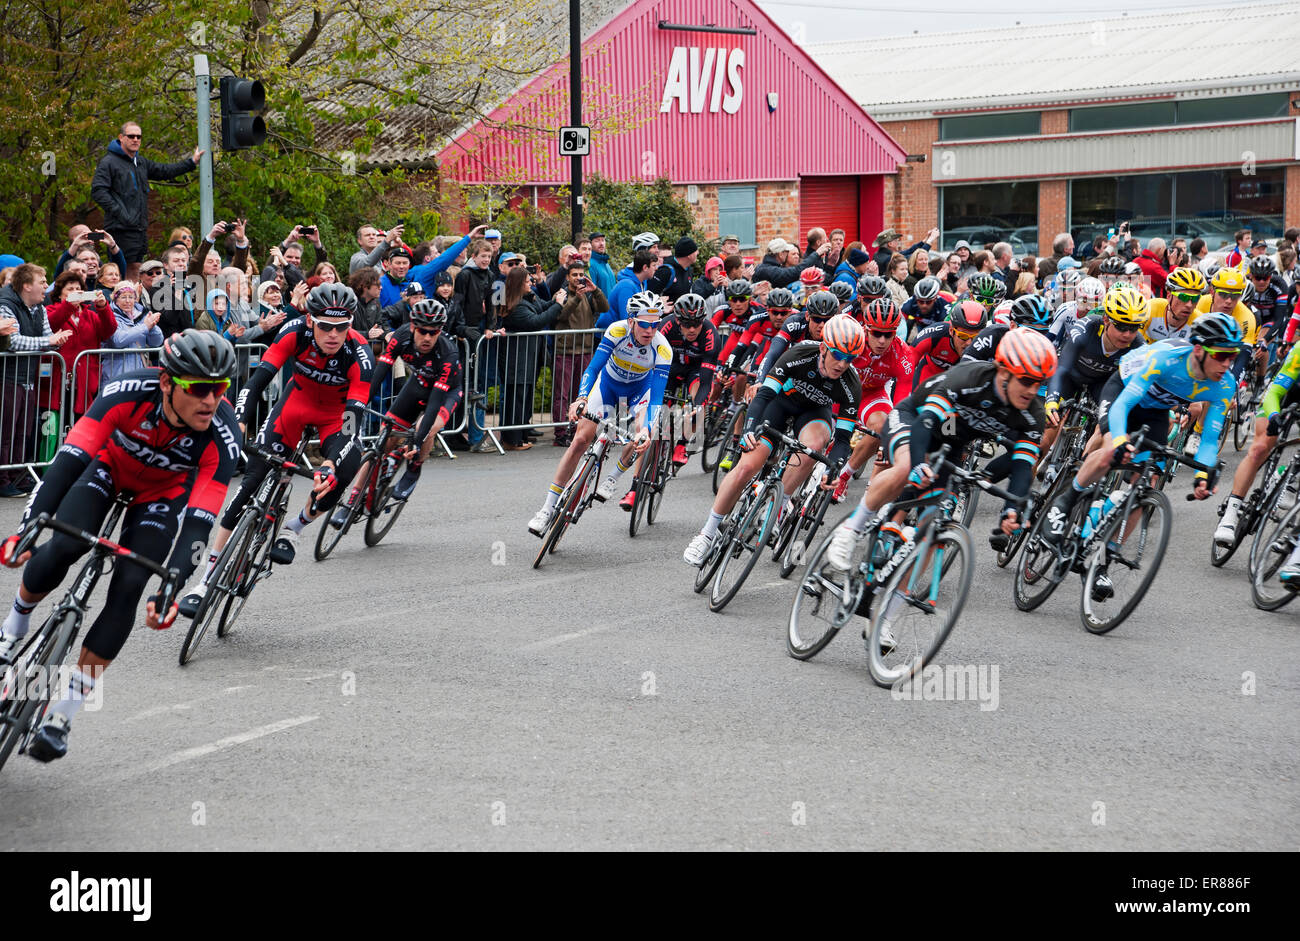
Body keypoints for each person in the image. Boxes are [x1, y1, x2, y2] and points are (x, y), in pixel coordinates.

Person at [0, 330, 240, 760]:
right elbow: (68, 463)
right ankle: (11, 632)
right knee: (62, 546)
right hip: (105, 470)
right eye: (200, 389)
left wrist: (173, 585)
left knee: (131, 584)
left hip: (162, 496)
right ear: (167, 383)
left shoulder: (223, 434)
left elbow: (199, 525)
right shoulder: (125, 392)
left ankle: (63, 714)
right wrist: (24, 529)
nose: (211, 400)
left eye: (220, 389)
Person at [823, 329, 1053, 646]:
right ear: (1004, 371)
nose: (1032, 390)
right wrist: (918, 465)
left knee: (934, 529)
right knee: (905, 468)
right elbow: (925, 425)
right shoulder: (968, 377)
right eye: (1026, 380)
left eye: (1039, 383)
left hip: (952, 445)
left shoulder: (1031, 414)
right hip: (914, 420)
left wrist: (1013, 509)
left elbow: (1023, 467)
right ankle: (852, 529)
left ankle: (886, 619)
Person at [183, 285, 372, 605]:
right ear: (311, 320)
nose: (334, 334)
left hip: (335, 419)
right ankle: (205, 580)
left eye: (342, 327)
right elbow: (256, 383)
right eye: (326, 325)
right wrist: (240, 421)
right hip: (293, 407)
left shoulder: (360, 354)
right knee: (249, 485)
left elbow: (353, 421)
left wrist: (332, 462)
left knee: (344, 471)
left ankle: (292, 530)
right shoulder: (293, 332)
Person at [1040, 312, 1240, 552]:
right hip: (1123, 391)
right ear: (1198, 350)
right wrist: (1121, 439)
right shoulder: (1166, 358)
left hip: (1155, 409)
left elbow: (1208, 439)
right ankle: (1065, 501)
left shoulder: (1225, 385)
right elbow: (1123, 405)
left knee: (1147, 481)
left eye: (1232, 356)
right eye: (1221, 355)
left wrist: (1203, 474)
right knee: (1112, 446)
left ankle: (1107, 555)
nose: (1227, 364)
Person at [683, 315, 865, 566]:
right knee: (747, 466)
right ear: (823, 347)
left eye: (850, 359)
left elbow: (843, 439)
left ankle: (779, 506)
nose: (842, 364)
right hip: (780, 403)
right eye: (838, 355)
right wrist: (748, 429)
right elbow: (765, 395)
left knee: (814, 447)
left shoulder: (850, 385)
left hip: (813, 414)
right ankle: (707, 534)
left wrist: (833, 469)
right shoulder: (800, 354)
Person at [527, 292, 672, 536]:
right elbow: (593, 367)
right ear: (631, 321)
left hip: (639, 393)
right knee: (580, 440)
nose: (650, 330)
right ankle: (547, 509)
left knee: (642, 433)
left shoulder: (662, 349)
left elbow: (657, 397)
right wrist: (581, 399)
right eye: (645, 324)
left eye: (655, 324)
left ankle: (614, 478)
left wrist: (647, 428)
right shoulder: (616, 331)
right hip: (608, 386)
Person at [331, 299, 462, 517]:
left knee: (425, 428)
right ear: (412, 326)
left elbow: (434, 405)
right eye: (423, 331)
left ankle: (413, 467)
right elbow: (378, 374)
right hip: (418, 384)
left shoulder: (448, 354)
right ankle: (353, 499)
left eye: (434, 332)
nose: (428, 337)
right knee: (383, 439)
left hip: (445, 393)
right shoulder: (401, 336)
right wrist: (358, 406)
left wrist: (417, 443)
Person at [1216, 337, 1300, 550]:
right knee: (1261, 447)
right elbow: (1275, 393)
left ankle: (1288, 476)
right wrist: (1273, 416)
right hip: (1286, 395)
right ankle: (1231, 513)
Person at [90, 122, 202, 274]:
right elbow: (98, 191)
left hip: (139, 228)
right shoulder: (109, 162)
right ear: (121, 138)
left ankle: (133, 297)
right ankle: (124, 296)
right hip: (121, 228)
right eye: (131, 136)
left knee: (138, 268)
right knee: (124, 269)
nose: (135, 139)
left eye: (139, 137)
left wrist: (191, 162)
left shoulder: (141, 162)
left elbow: (165, 171)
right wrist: (121, 213)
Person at [0, 265, 73, 497]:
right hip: (8, 376)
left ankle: (19, 476)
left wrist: (55, 340)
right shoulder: (6, 304)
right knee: (6, 431)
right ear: (26, 285)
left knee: (24, 430)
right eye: (41, 281)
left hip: (29, 376)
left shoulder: (38, 307)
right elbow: (13, 342)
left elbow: (46, 335)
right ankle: (2, 479)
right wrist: (49, 340)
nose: (46, 286)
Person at [831, 299, 916, 495]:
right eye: (876, 333)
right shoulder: (852, 338)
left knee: (883, 427)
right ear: (866, 328)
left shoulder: (903, 355)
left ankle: (845, 474)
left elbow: (901, 403)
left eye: (888, 335)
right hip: (841, 391)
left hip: (871, 394)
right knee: (826, 436)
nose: (882, 341)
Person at [497, 266, 562, 451]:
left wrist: (558, 300)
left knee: (524, 400)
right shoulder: (515, 305)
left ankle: (522, 436)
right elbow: (535, 322)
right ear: (519, 284)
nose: (531, 283)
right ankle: (512, 439)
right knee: (516, 400)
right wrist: (558, 304)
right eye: (527, 281)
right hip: (516, 359)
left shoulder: (528, 298)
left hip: (529, 357)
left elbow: (542, 308)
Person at [45, 270, 118, 420]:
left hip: (84, 380)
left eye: (78, 289)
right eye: (70, 289)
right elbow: (52, 324)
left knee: (79, 422)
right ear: (60, 294)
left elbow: (108, 331)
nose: (75, 293)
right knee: (56, 426)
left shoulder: (90, 314)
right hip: (58, 379)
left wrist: (103, 308)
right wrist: (68, 305)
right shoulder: (50, 310)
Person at [552, 261, 608, 447]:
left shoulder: (587, 293)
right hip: (565, 350)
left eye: (581, 274)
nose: (578, 278)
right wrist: (576, 297)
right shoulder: (562, 294)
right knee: (562, 393)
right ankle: (561, 431)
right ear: (568, 277)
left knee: (581, 393)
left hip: (584, 349)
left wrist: (596, 290)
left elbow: (605, 307)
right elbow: (561, 315)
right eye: (574, 274)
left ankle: (578, 428)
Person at [910, 299, 988, 383]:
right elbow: (908, 362)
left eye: (975, 337)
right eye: (963, 336)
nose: (969, 343)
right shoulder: (935, 335)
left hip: (958, 381)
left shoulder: (987, 342)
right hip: (928, 375)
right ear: (951, 330)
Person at [102, 282, 163, 381]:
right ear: (115, 299)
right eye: (123, 297)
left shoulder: (141, 314)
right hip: (115, 374)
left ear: (135, 299)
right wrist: (145, 327)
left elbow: (157, 342)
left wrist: (152, 326)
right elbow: (118, 340)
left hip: (138, 372)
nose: (127, 301)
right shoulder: (110, 316)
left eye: (131, 297)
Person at [588, 233, 616, 297]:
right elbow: (591, 293)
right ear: (590, 245)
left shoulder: (606, 263)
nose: (601, 243)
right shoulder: (590, 264)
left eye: (603, 240)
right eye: (597, 241)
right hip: (601, 306)